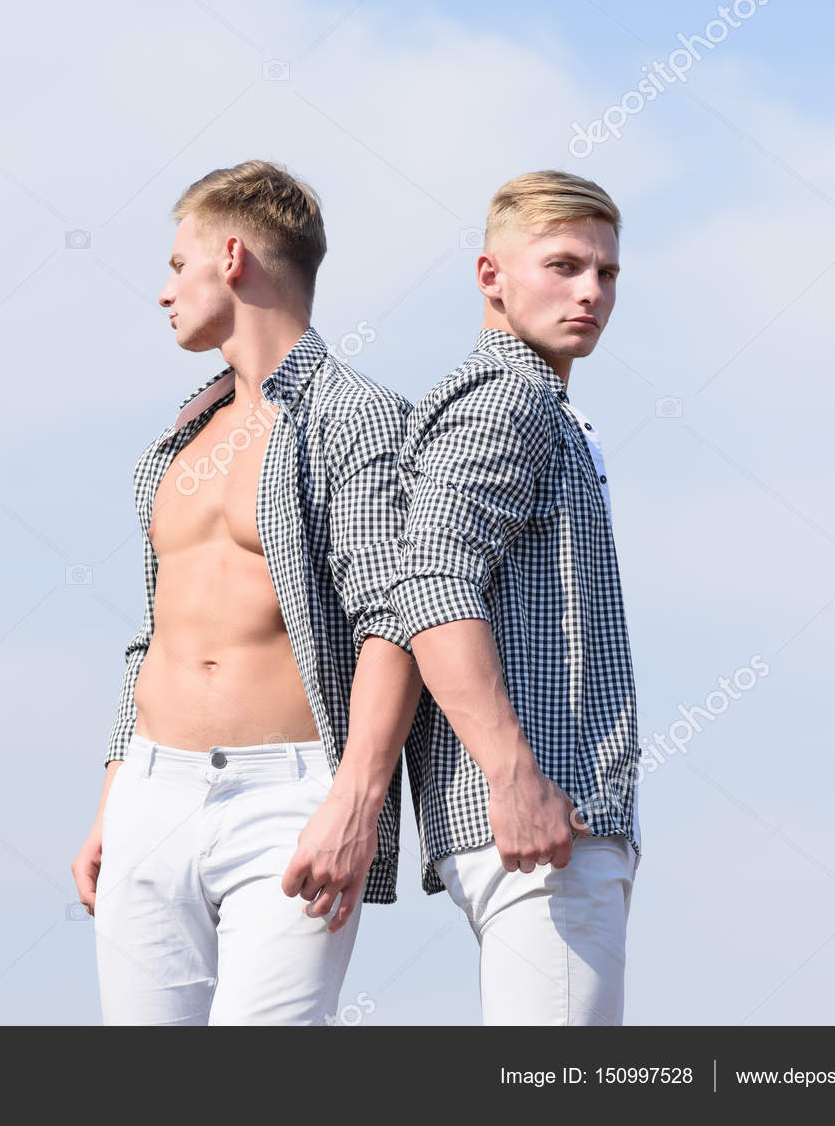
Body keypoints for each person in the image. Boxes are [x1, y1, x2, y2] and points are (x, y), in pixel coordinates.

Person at [69, 160, 423, 1025]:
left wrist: (357, 804)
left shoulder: (357, 416)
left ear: (232, 257)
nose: (164, 291)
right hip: (153, 790)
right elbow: (153, 635)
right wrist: (117, 794)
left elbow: (396, 620)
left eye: (177, 264)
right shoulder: (184, 437)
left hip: (289, 798)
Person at [389, 170, 642, 1025]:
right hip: (546, 817)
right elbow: (429, 577)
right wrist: (514, 774)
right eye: (564, 265)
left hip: (553, 816)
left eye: (606, 273)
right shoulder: (508, 401)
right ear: (490, 275)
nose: (591, 292)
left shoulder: (543, 405)